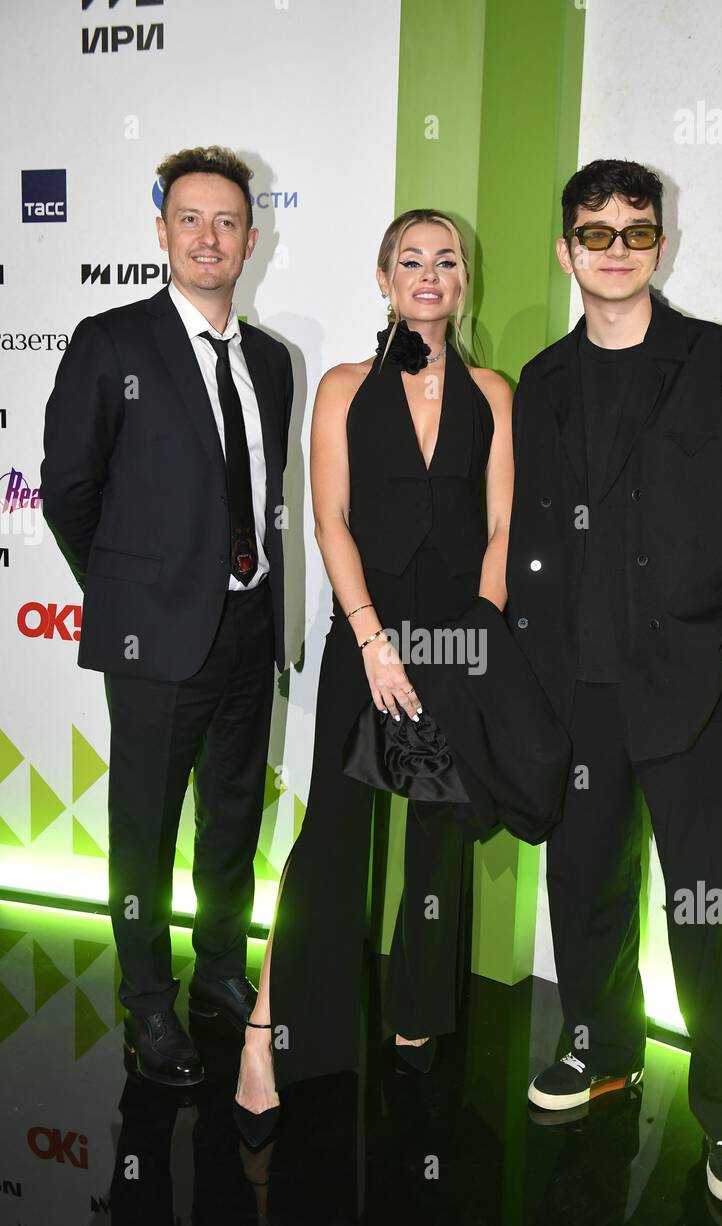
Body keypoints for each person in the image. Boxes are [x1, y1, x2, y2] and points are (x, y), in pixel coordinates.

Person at [506, 158, 722, 1206]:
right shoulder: (540, 381)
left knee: (710, 906)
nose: (618, 248)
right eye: (598, 232)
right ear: (566, 250)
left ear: (661, 245)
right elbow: (529, 535)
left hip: (687, 685)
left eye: (637, 231)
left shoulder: (711, 360)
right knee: (583, 888)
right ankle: (600, 1050)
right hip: (576, 691)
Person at [233, 209, 514, 1142]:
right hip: (369, 637)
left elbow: (504, 527)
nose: (428, 274)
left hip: (459, 641)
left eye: (446, 260)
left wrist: (471, 643)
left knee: (437, 836)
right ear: (383, 278)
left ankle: (416, 1016)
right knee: (334, 831)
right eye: (410, 260)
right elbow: (330, 520)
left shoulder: (495, 392)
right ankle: (268, 1030)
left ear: (463, 280)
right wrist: (374, 639)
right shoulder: (345, 387)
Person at [41, 146, 293, 1087]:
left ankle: (221, 971)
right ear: (161, 233)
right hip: (154, 640)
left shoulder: (271, 361)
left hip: (249, 627)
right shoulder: (112, 342)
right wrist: (130, 595)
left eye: (226, 222)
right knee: (144, 830)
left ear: (251, 240)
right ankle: (148, 1003)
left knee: (231, 819)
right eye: (189, 219)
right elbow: (71, 488)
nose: (208, 237)